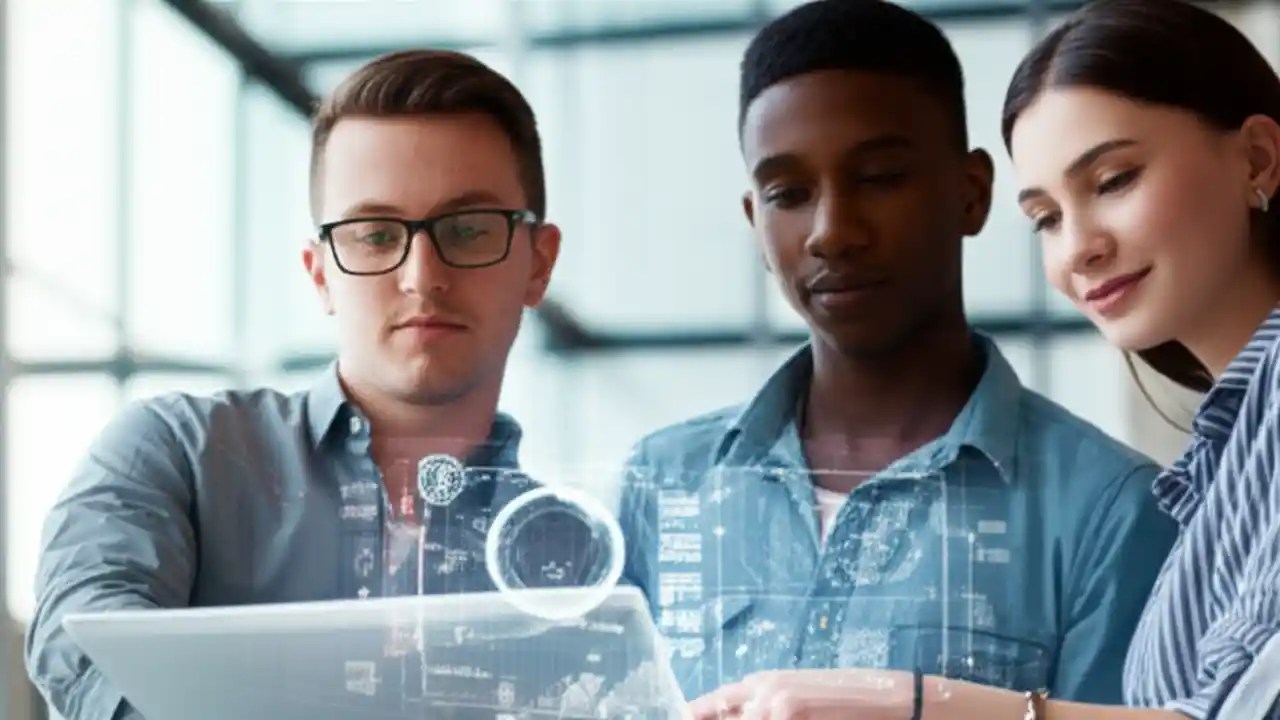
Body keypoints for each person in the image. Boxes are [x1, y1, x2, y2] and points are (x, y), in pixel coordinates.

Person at [687, 0, 1280, 718]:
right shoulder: (1220, 459)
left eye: (1114, 180)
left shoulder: (1115, 501)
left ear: (1257, 157)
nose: (1078, 247)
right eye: (1047, 217)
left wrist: (912, 703)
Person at [25, 50, 566, 719]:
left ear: (538, 265)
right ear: (320, 274)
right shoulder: (176, 455)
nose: (422, 277)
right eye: (374, 235)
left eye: (467, 229)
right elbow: (89, 653)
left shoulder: (579, 557)